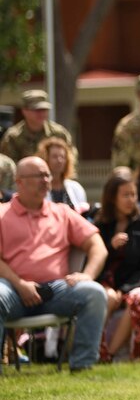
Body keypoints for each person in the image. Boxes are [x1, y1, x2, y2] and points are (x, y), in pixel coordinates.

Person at [0, 157, 108, 371]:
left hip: (55, 290)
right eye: (39, 175)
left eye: (47, 175)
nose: (46, 180)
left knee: (94, 292)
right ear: (19, 181)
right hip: (12, 289)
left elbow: (98, 245)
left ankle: (82, 366)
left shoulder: (62, 212)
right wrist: (20, 283)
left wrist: (87, 275)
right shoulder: (2, 214)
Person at [94, 169, 140, 362]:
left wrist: (125, 289)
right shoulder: (101, 225)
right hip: (106, 283)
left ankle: (108, 354)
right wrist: (110, 247)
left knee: (138, 299)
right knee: (103, 297)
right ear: (112, 197)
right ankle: (93, 349)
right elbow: (94, 261)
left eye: (133, 194)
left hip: (136, 286)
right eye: (125, 195)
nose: (131, 199)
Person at [0, 90, 76, 165]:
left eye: (44, 109)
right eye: (36, 110)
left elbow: (71, 159)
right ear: (24, 111)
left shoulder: (59, 134)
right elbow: (9, 165)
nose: (41, 113)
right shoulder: (13, 136)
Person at [38, 137, 89, 214]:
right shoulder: (38, 188)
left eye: (62, 157)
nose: (59, 160)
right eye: (54, 156)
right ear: (45, 159)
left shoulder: (76, 188)